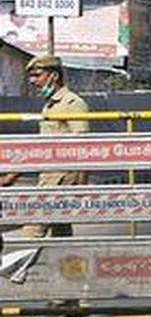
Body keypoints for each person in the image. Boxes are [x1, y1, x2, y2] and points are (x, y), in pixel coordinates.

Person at [3, 56, 89, 237]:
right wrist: (13, 175)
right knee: (61, 231)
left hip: (61, 178)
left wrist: (82, 184)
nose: (33, 81)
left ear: (54, 76)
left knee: (31, 233)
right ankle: (64, 263)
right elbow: (42, 147)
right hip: (50, 176)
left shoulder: (72, 103)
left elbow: (83, 145)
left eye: (37, 75)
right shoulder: (50, 105)